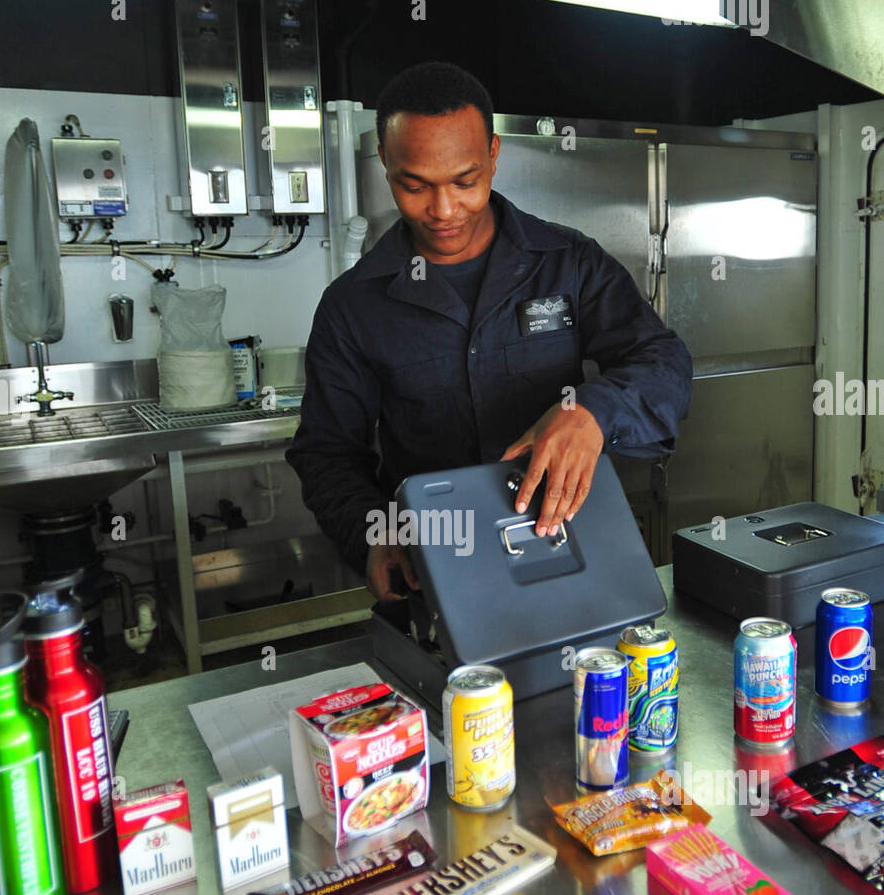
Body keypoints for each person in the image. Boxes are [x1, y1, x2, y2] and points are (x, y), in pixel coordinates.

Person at [287, 61, 692, 601]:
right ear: (384, 162)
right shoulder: (352, 307)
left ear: (494, 156)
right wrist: (374, 535)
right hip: (438, 572)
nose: (444, 209)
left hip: (570, 554)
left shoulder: (567, 263)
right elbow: (328, 453)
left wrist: (594, 410)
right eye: (414, 186)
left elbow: (664, 362)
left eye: (465, 181)